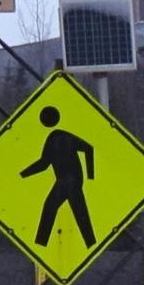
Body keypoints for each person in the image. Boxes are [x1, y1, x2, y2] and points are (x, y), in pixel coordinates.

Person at [24, 104, 96, 251]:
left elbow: (89, 148)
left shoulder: (59, 136)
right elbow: (44, 164)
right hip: (69, 181)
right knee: (78, 213)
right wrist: (23, 174)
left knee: (52, 208)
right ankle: (90, 243)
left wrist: (91, 176)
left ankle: (41, 244)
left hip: (69, 181)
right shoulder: (54, 137)